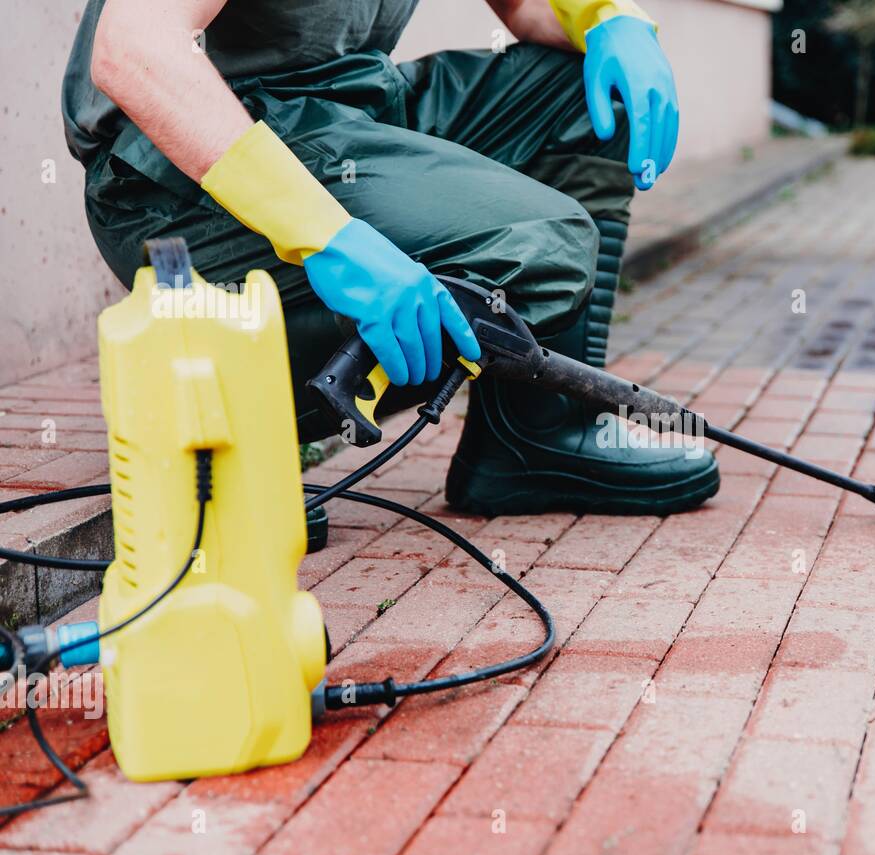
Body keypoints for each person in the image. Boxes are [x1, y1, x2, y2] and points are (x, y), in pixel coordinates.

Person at [62, 0, 720, 515]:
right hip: (173, 177)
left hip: (348, 111)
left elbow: (524, 6)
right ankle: (231, 433)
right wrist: (325, 234)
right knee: (544, 247)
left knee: (591, 96)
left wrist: (611, 18)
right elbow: (134, 50)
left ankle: (535, 438)